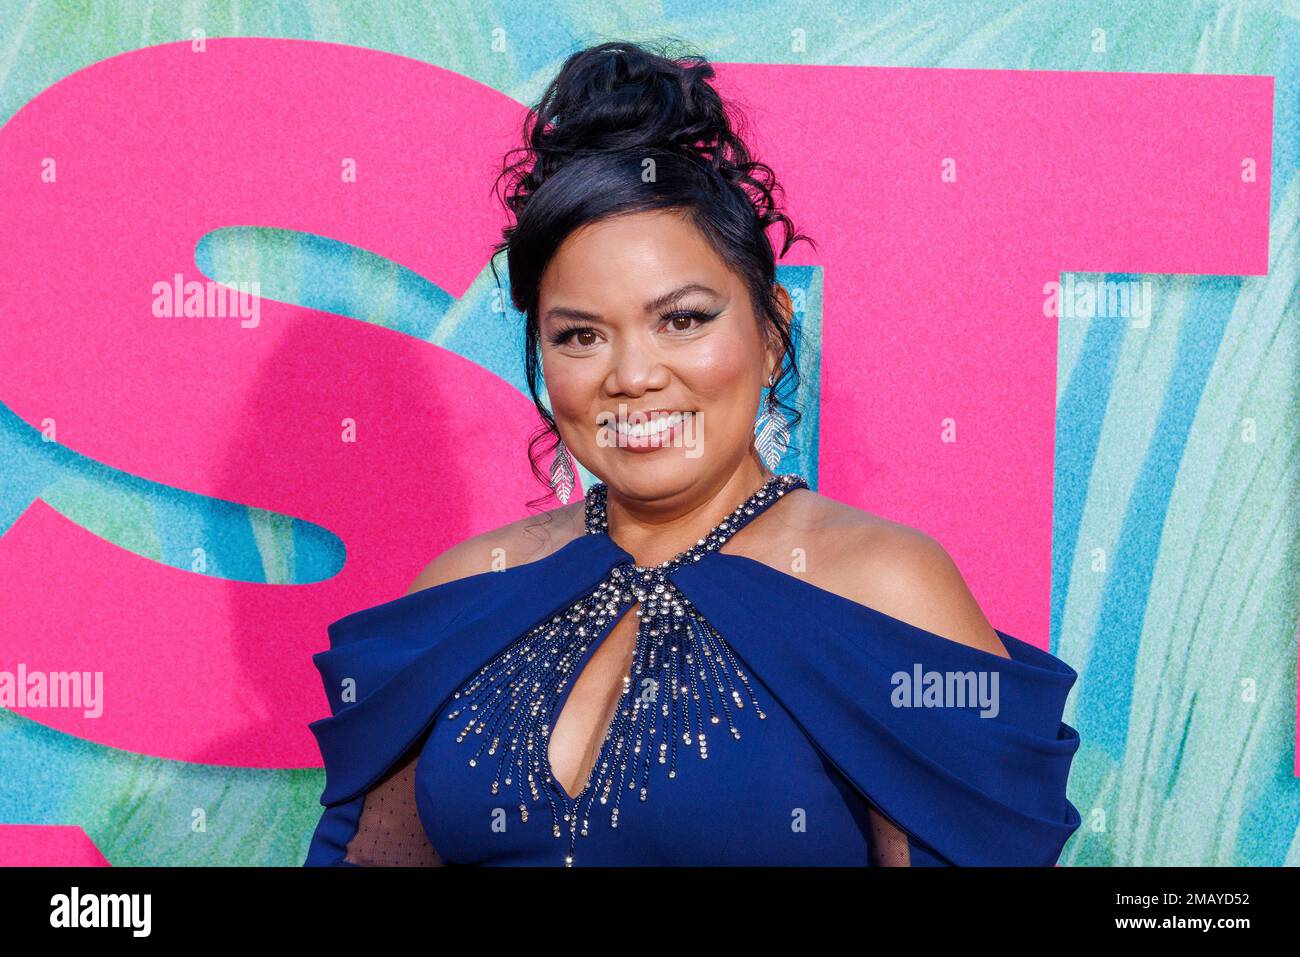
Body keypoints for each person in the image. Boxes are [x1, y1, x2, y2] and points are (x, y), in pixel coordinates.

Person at [303, 39, 1081, 867]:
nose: (633, 376)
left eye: (683, 319)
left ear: (773, 328)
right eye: (580, 335)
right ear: (539, 357)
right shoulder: (466, 591)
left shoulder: (885, 586)